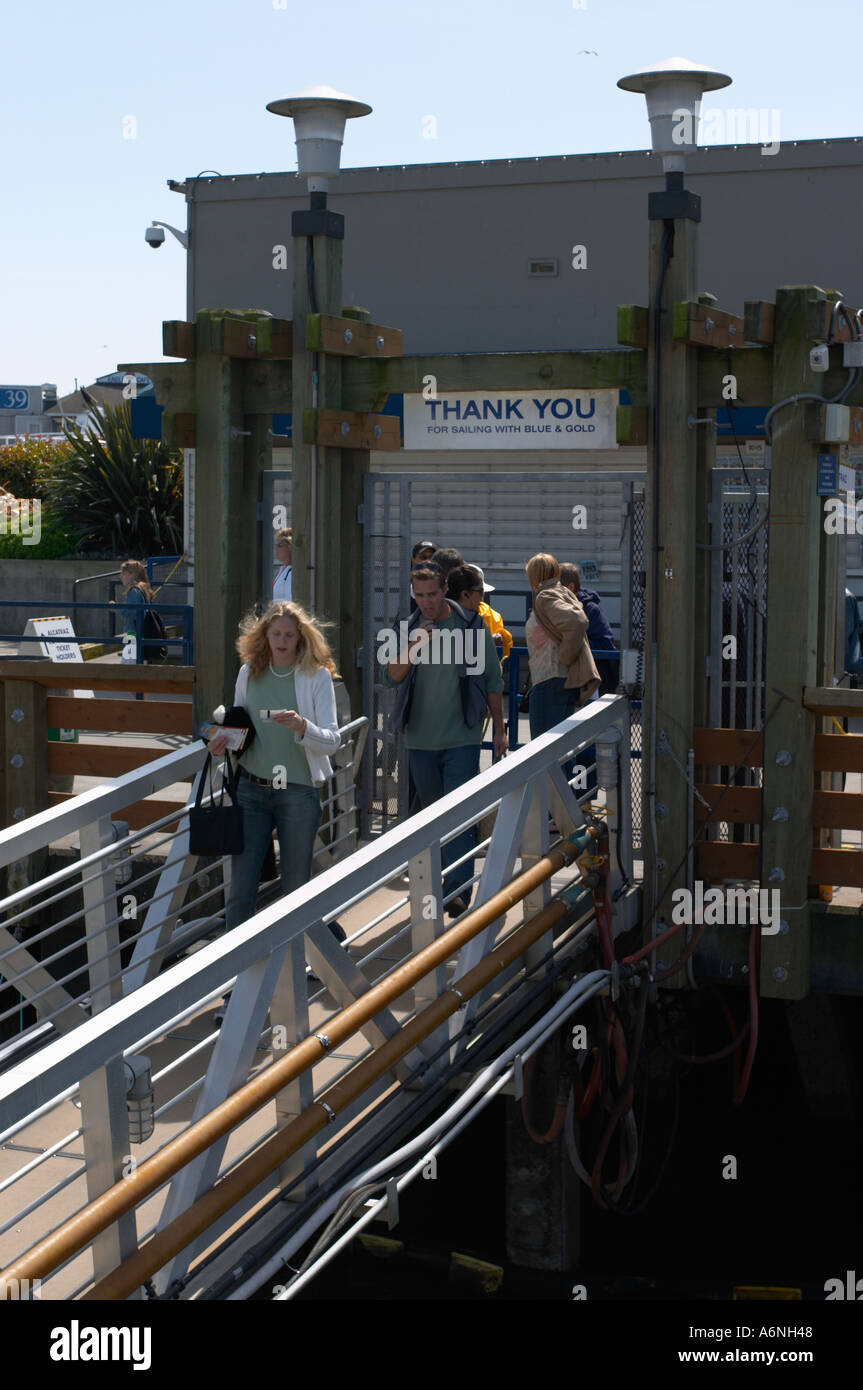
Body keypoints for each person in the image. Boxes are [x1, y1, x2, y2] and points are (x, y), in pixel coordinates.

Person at [380, 563, 506, 917]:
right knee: (433, 817)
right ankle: (437, 886)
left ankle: (459, 890)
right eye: (419, 595)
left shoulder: (470, 624)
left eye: (432, 594)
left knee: (459, 813)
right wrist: (415, 643)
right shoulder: (405, 627)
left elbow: (493, 679)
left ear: (445, 589)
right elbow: (389, 677)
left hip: (461, 736)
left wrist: (499, 729)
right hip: (419, 739)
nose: (426, 602)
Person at [207, 602, 341, 931]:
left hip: (296, 791)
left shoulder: (317, 676)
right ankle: (237, 972)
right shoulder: (248, 672)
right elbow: (240, 730)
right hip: (251, 789)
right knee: (240, 891)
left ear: (300, 638)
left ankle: (299, 962)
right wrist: (220, 743)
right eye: (276, 633)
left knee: (296, 886)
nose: (281, 641)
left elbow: (332, 740)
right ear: (265, 635)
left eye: (289, 635)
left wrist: (301, 726)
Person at [525, 553, 600, 792]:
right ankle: (562, 817)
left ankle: (556, 817)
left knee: (547, 753)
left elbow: (576, 622)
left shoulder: (546, 595)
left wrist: (564, 657)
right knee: (559, 752)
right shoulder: (560, 592)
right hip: (556, 680)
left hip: (551, 679)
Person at [559, 562, 617, 695]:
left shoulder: (591, 610)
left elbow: (605, 643)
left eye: (557, 588)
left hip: (593, 679)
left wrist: (573, 644)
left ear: (571, 587)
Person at [446, 564, 513, 663]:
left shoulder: (481, 615)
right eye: (480, 591)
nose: (482, 598)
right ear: (465, 594)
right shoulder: (443, 618)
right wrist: (488, 641)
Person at [109, 559, 166, 663]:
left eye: (123, 573)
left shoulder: (134, 591)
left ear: (132, 575)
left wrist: (115, 607)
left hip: (134, 634)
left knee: (128, 667)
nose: (121, 576)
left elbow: (131, 613)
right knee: (136, 665)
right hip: (139, 634)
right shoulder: (143, 589)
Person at [273, 528, 293, 603]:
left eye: (280, 545)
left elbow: (290, 602)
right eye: (276, 545)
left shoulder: (292, 573)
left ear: (290, 548)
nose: (276, 548)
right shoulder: (283, 570)